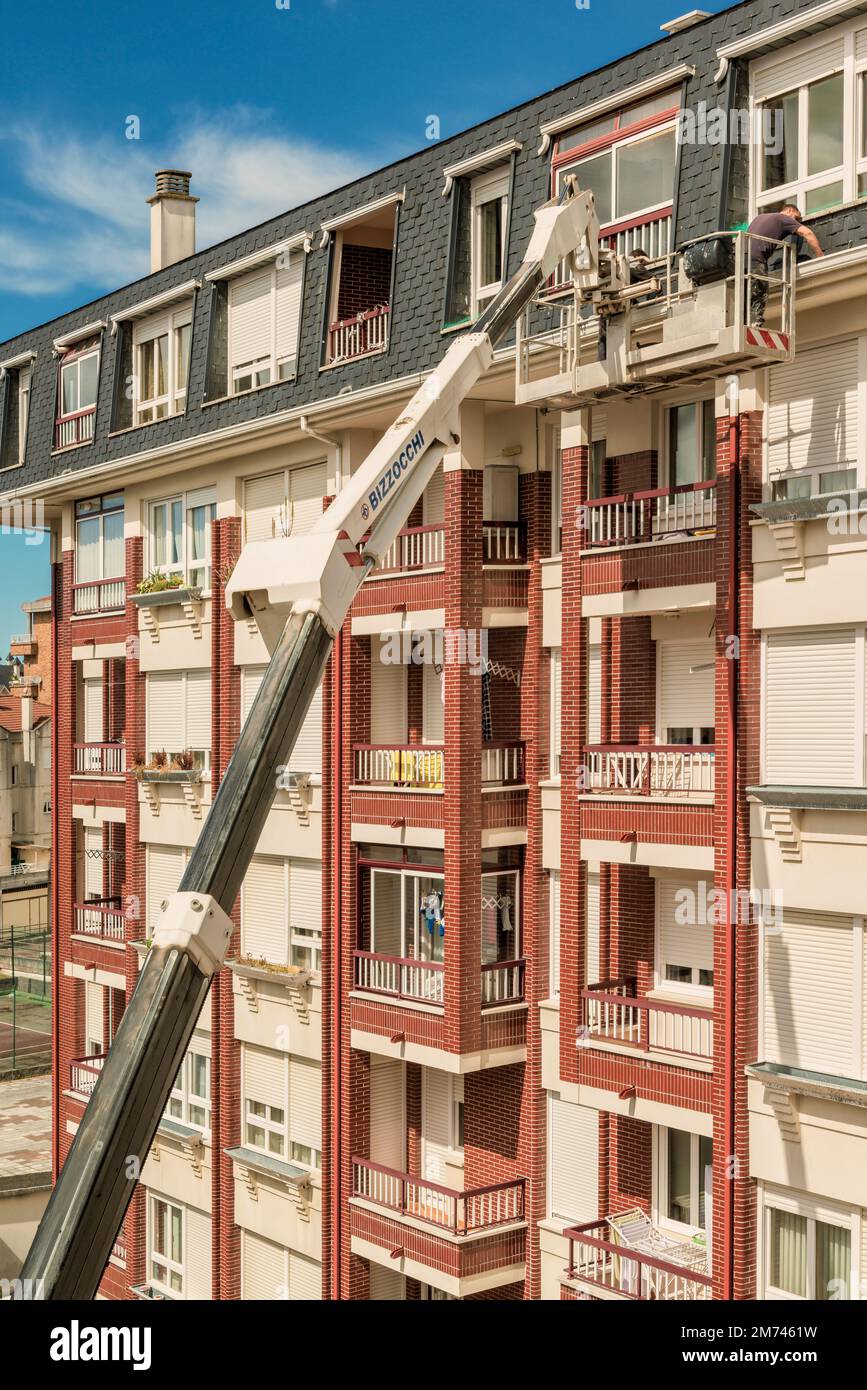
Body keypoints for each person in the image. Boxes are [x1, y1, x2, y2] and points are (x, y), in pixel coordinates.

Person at [747, 205, 823, 325]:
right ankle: (754, 322)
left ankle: (746, 321)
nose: (796, 221)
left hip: (741, 259)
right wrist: (820, 256)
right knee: (761, 289)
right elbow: (808, 233)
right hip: (756, 259)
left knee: (747, 293)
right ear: (789, 210)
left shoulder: (760, 217)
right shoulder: (782, 218)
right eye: (796, 218)